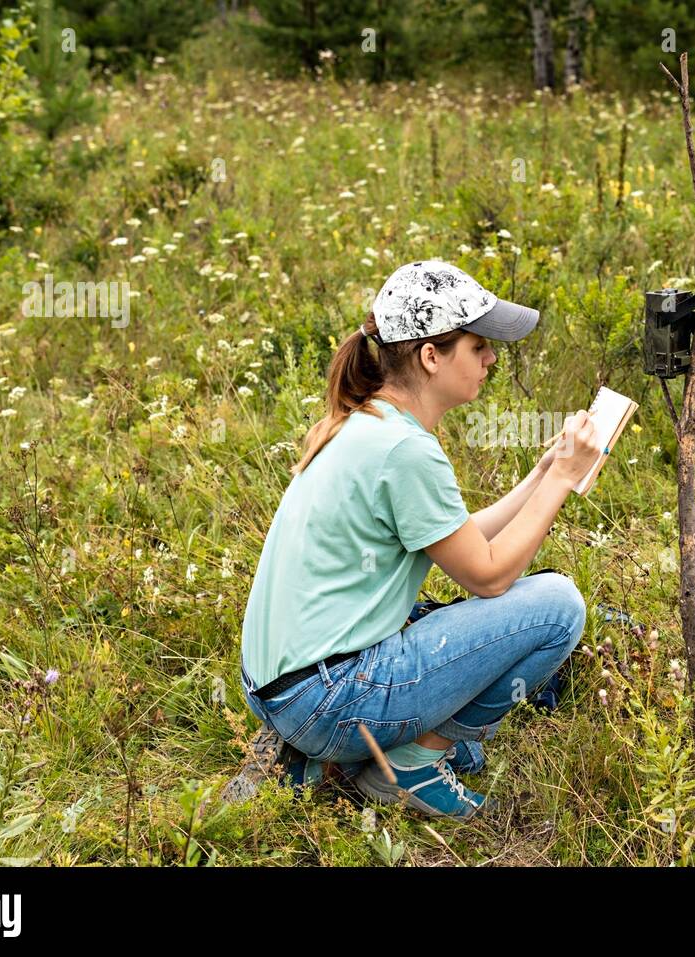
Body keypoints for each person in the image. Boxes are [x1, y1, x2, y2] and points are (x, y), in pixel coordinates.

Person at [228, 259, 603, 820]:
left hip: (277, 687)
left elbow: (456, 539)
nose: (491, 359)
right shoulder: (404, 451)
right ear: (432, 356)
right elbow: (489, 574)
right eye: (478, 347)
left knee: (450, 620)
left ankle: (304, 753)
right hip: (327, 697)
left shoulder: (366, 422)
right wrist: (567, 481)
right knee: (556, 608)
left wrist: (543, 473)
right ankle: (407, 764)